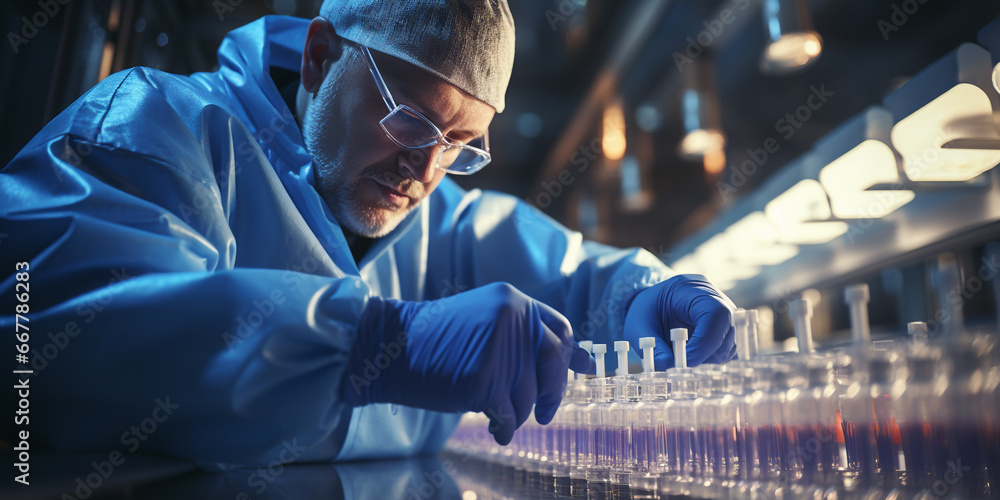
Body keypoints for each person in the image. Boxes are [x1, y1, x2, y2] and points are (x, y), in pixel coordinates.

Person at [0, 0, 736, 468]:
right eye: (411, 120)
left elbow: (563, 272)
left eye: (460, 144)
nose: (426, 169)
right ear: (320, 56)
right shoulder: (154, 129)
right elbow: (51, 344)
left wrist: (646, 295)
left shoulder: (433, 218)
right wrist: (372, 345)